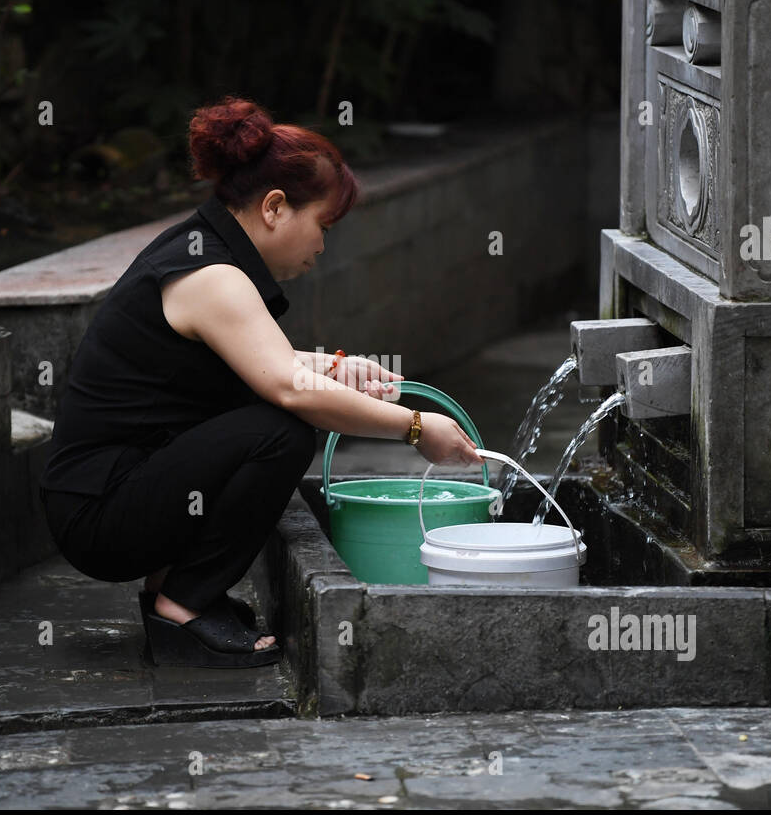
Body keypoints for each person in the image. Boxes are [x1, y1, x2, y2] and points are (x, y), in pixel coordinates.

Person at [37, 94, 482, 669]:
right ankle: (182, 606)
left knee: (269, 417)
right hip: (98, 516)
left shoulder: (203, 252)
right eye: (321, 225)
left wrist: (333, 367)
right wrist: (415, 427)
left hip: (109, 494)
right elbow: (289, 389)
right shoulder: (212, 275)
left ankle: (176, 592)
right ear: (275, 207)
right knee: (282, 431)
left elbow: (258, 360)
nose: (322, 246)